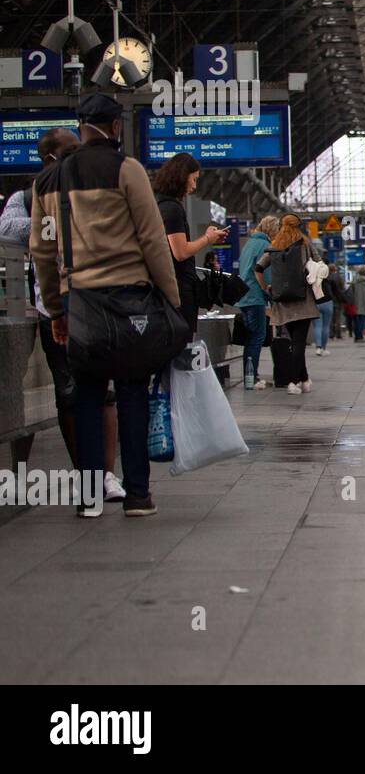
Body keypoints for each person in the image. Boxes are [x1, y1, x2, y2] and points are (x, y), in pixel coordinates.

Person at [29, 93, 180, 518]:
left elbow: (42, 251)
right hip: (130, 300)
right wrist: (171, 297)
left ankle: (90, 496)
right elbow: (152, 239)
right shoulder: (126, 169)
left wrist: (56, 311)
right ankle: (137, 495)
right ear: (115, 127)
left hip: (81, 302)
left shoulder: (47, 182)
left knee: (87, 397)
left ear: (80, 126)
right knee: (131, 392)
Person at [0, 128, 124, 499]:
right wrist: (55, 223)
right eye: (70, 150)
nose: (78, 155)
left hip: (99, 301)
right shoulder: (27, 195)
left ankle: (106, 474)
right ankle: (84, 474)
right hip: (50, 306)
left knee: (105, 390)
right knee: (68, 391)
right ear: (49, 157)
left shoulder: (94, 186)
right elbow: (5, 229)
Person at [152, 152, 225, 335]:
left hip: (168, 288)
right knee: (181, 346)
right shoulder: (172, 209)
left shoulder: (159, 205)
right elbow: (181, 252)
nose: (194, 186)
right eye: (193, 179)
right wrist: (207, 238)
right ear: (182, 177)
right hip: (179, 290)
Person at [253, 213, 319, 394]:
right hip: (303, 299)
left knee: (295, 341)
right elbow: (319, 264)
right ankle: (293, 381)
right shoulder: (305, 244)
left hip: (282, 301)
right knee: (299, 343)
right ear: (298, 226)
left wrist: (266, 287)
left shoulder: (274, 245)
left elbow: (258, 268)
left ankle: (304, 379)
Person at [235, 215, 278, 389]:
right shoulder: (264, 246)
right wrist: (270, 292)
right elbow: (264, 273)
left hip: (244, 296)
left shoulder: (249, 243)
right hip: (255, 297)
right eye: (276, 231)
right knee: (257, 337)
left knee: (251, 338)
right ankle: (251, 378)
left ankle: (250, 378)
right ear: (271, 230)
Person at [309, 255, 333, 356]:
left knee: (317, 326)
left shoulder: (311, 275)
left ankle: (318, 347)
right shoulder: (327, 276)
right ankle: (323, 348)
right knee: (326, 326)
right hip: (327, 302)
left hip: (315, 302)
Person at [350, 266, 365, 341]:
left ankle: (357, 336)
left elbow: (351, 292)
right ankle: (360, 337)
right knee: (363, 320)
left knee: (357, 320)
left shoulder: (354, 282)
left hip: (356, 303)